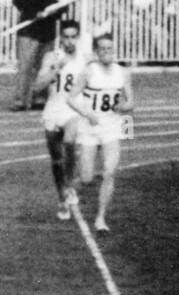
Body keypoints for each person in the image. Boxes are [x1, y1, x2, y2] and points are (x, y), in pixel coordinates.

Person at [68, 33, 133, 234]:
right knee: (87, 177)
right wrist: (87, 113)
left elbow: (131, 102)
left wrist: (123, 106)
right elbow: (71, 98)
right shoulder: (89, 71)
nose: (107, 52)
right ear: (96, 52)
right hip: (89, 126)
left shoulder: (123, 72)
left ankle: (101, 217)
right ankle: (70, 189)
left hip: (112, 126)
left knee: (109, 171)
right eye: (103, 49)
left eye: (110, 49)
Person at [32, 17, 86, 219]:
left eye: (74, 37)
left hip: (73, 109)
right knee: (56, 160)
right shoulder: (51, 57)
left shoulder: (85, 58)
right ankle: (62, 197)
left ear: (78, 37)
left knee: (70, 142)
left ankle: (70, 184)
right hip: (54, 110)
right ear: (61, 38)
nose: (70, 41)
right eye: (66, 37)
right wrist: (55, 69)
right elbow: (37, 87)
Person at [10, 0, 68, 111]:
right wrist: (34, 12)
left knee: (44, 67)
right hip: (29, 30)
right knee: (25, 66)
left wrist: (54, 12)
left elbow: (63, 6)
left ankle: (40, 99)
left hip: (48, 31)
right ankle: (20, 100)